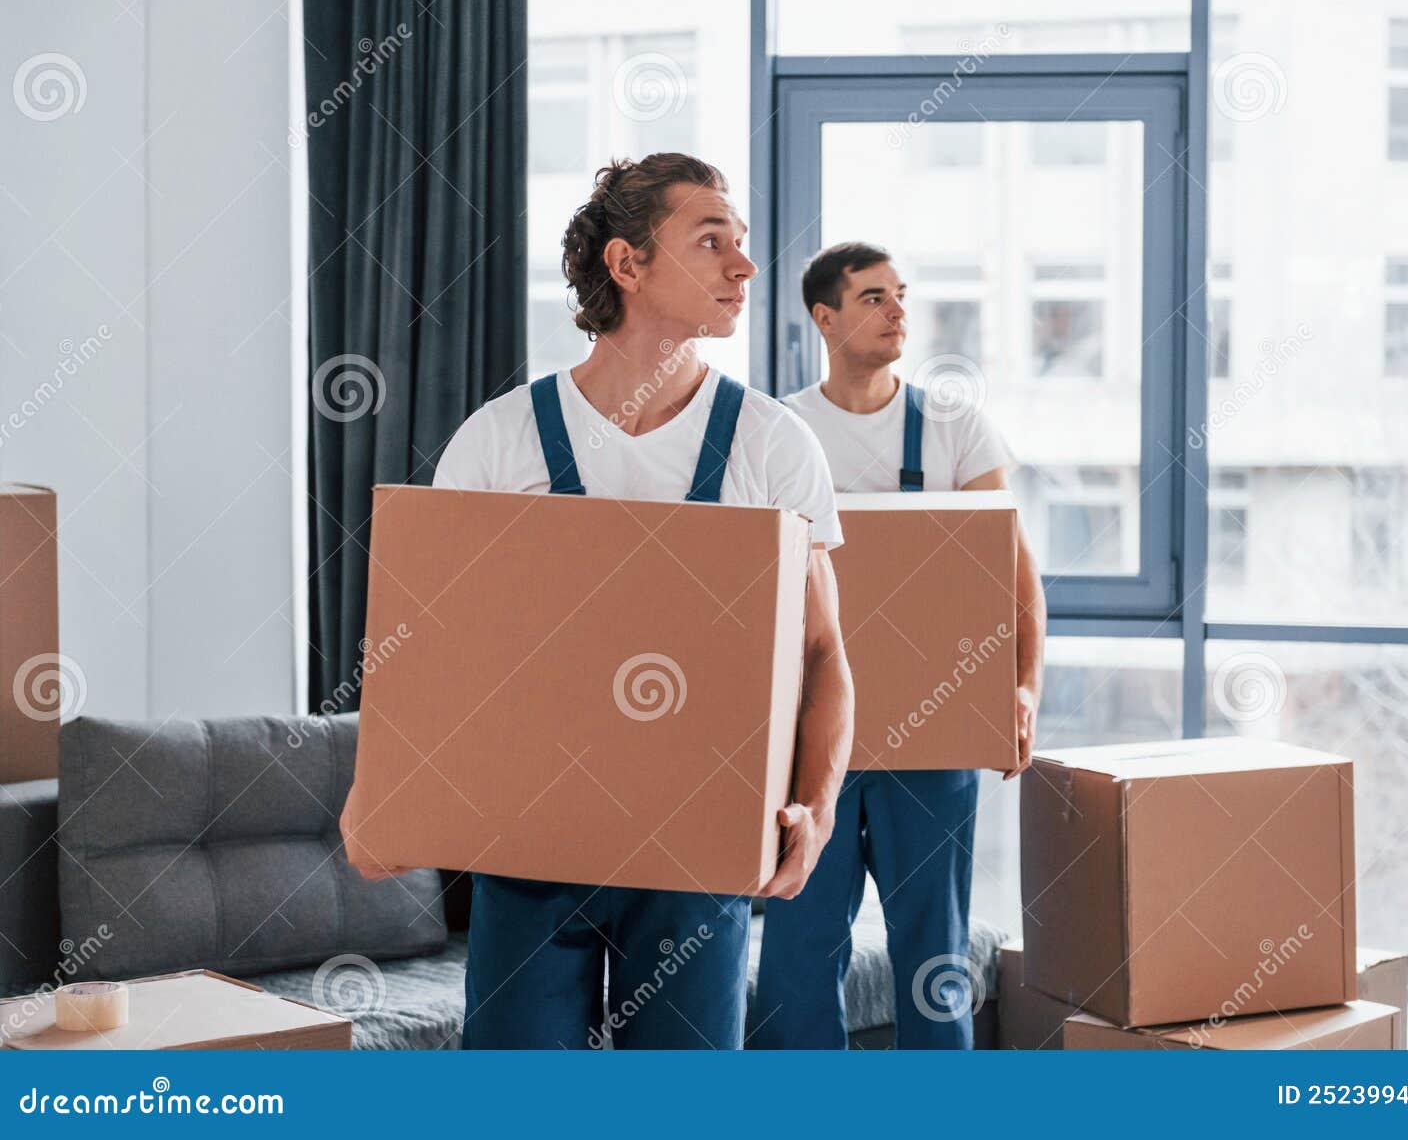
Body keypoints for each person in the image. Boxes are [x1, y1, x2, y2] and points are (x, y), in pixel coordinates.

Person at [354, 154, 854, 1050]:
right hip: (529, 850)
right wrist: (378, 793)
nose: (744, 265)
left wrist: (814, 809)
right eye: (712, 242)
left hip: (697, 858)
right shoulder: (501, 442)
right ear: (627, 263)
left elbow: (822, 655)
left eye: (741, 243)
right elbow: (425, 651)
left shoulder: (773, 445)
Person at [750, 241, 1046, 1050]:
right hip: (813, 743)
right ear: (825, 318)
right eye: (873, 297)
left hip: (934, 736)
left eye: (901, 294)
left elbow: (1014, 573)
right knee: (799, 945)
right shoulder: (779, 431)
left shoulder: (955, 425)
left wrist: (1023, 689)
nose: (897, 311)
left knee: (935, 950)